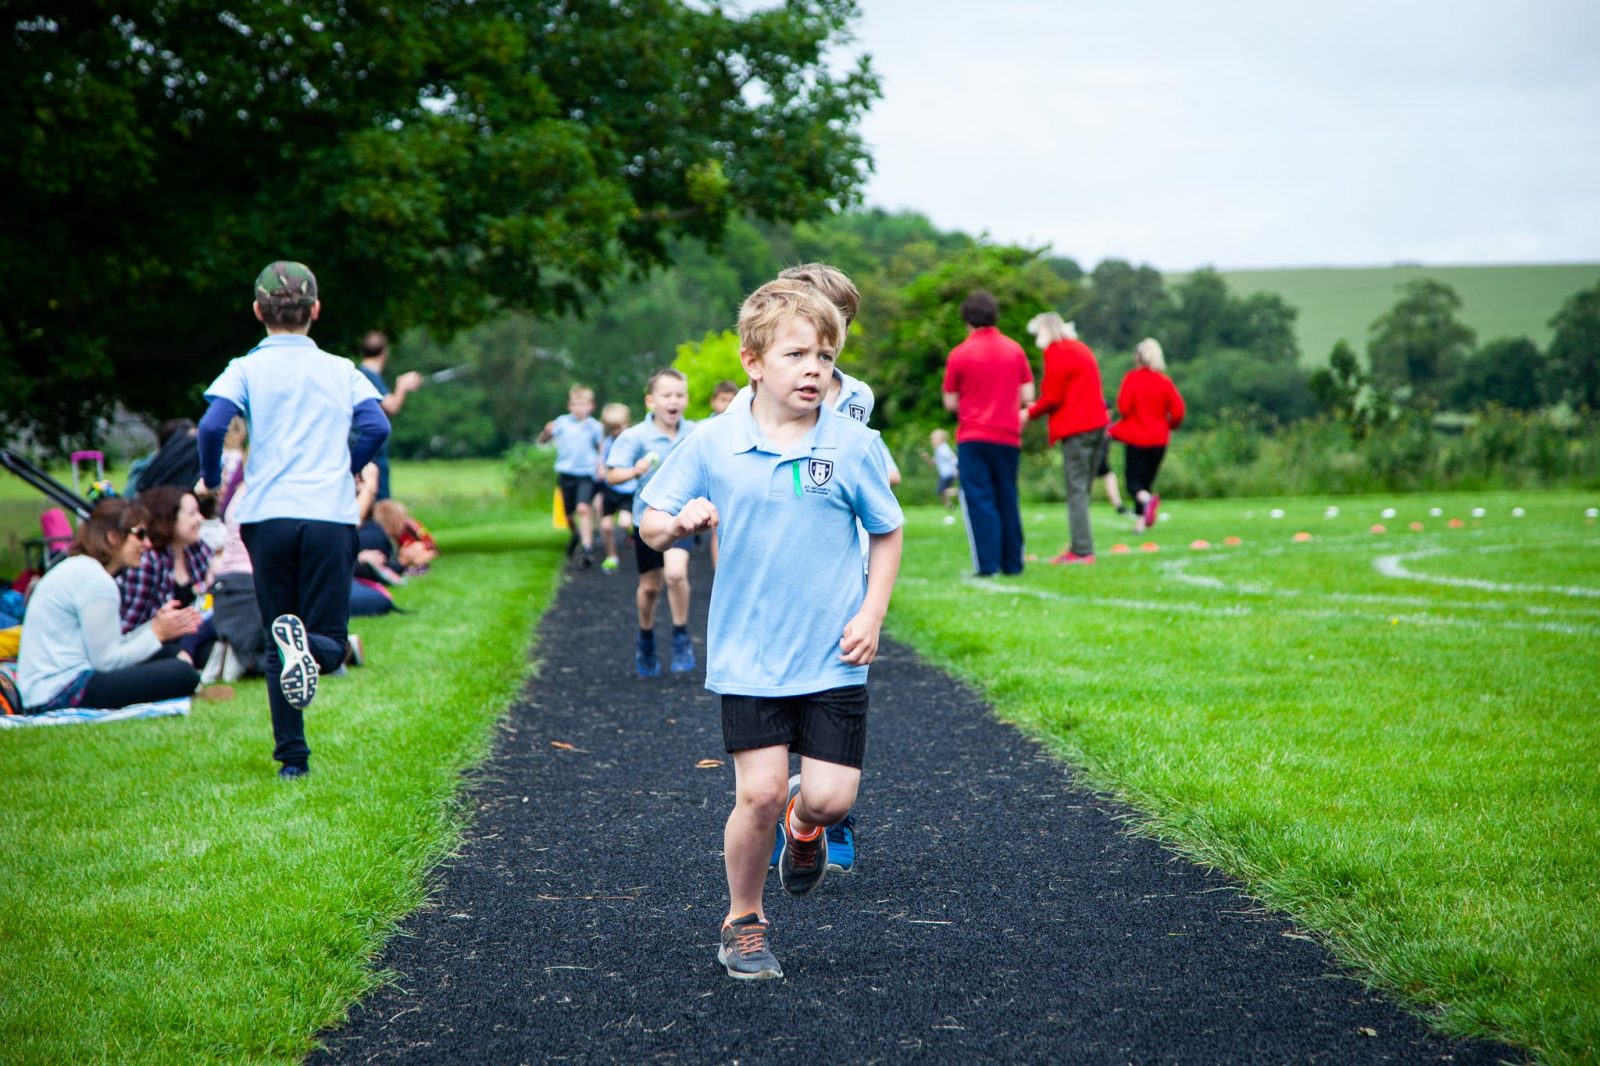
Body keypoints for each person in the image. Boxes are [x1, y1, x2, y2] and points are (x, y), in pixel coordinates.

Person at [639, 279, 903, 980]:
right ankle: (744, 920)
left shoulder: (853, 444)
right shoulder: (713, 442)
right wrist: (677, 522)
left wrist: (872, 613)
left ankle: (806, 826)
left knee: (829, 796)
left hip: (833, 654)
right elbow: (649, 516)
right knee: (756, 792)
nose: (814, 368)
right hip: (750, 653)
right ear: (754, 361)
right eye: (796, 354)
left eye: (824, 354)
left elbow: (887, 530)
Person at [196, 260, 390, 780]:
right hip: (328, 514)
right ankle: (314, 650)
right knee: (323, 638)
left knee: (281, 626)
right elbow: (376, 425)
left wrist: (210, 479)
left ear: (258, 310)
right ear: (316, 311)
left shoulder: (245, 367)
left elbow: (213, 423)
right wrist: (347, 468)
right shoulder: (341, 369)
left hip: (267, 518)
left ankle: (293, 762)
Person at [17, 499, 202, 712]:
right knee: (181, 673)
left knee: (168, 653)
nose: (148, 544)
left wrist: (155, 628)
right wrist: (157, 633)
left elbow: (110, 646)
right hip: (62, 692)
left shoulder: (83, 569)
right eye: (140, 534)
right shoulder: (95, 579)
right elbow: (107, 662)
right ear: (113, 537)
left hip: (48, 690)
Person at [604, 368, 697, 677]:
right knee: (650, 587)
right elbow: (612, 474)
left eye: (680, 395)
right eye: (667, 395)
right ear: (650, 401)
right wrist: (634, 471)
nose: (674, 401)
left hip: (681, 520)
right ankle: (645, 638)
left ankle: (681, 635)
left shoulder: (695, 433)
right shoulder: (635, 437)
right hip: (647, 523)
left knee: (675, 574)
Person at [942, 290, 1034, 576]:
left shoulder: (960, 353)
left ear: (967, 319)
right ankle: (1013, 563)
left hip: (973, 436)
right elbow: (1028, 393)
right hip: (1008, 435)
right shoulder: (1014, 349)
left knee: (980, 500)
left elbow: (950, 401)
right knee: (1007, 496)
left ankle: (987, 564)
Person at [1024, 313, 1109, 565]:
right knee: (1084, 488)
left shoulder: (1056, 352)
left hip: (1076, 429)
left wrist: (1029, 412)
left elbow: (1052, 396)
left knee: (1076, 490)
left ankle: (1082, 551)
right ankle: (1080, 543)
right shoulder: (1081, 348)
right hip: (1098, 427)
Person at [118, 484, 217, 669]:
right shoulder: (148, 561)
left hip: (198, 634)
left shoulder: (197, 549)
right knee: (183, 663)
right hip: (156, 642)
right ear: (169, 518)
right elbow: (129, 626)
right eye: (192, 513)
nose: (200, 518)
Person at [1110, 338, 1186, 533]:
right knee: (1146, 482)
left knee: (1134, 485)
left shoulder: (1132, 379)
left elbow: (1124, 407)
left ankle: (1146, 503)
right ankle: (1140, 524)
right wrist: (1169, 426)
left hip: (1137, 438)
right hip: (1160, 440)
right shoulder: (1164, 382)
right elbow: (1178, 411)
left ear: (1138, 357)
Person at [539, 385, 605, 568]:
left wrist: (601, 466)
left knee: (583, 508)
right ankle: (576, 533)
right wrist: (546, 432)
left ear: (590, 406)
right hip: (566, 474)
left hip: (585, 474)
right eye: (575, 405)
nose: (579, 409)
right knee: (568, 515)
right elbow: (543, 441)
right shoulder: (562, 423)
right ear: (569, 406)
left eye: (582, 405)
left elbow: (601, 448)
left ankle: (587, 548)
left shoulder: (595, 426)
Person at [356, 330, 422, 501]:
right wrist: (402, 385)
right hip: (374, 454)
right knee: (380, 503)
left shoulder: (362, 374)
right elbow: (391, 407)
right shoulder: (368, 374)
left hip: (368, 451)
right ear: (384, 352)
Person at [595, 402, 634, 573]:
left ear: (627, 424)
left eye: (619, 427)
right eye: (612, 428)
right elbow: (602, 461)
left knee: (625, 523)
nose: (615, 431)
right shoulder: (607, 443)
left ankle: (631, 535)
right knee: (606, 526)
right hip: (610, 490)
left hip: (628, 490)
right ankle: (611, 555)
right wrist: (601, 470)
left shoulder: (633, 441)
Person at [926, 428, 959, 511]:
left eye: (933, 439)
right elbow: (934, 462)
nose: (932, 441)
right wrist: (927, 458)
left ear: (941, 440)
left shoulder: (943, 448)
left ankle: (960, 491)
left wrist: (957, 468)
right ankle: (950, 507)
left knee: (941, 491)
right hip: (945, 474)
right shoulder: (938, 449)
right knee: (941, 492)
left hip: (948, 474)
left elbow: (953, 457)